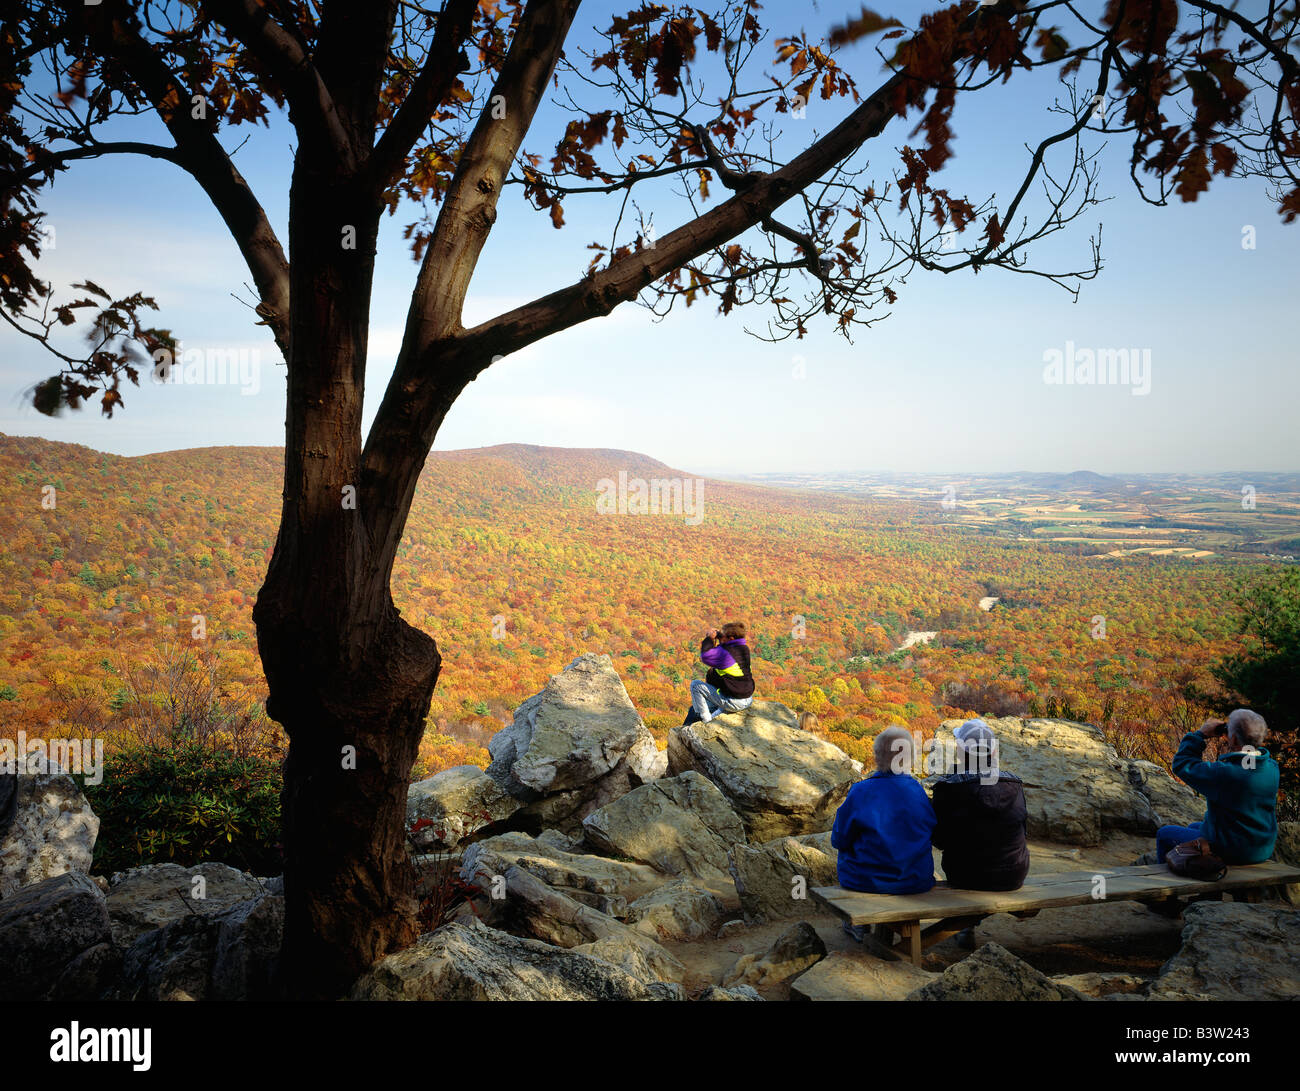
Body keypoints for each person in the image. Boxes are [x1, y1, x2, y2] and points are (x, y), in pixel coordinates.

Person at [1156, 709, 1279, 865]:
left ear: (1233, 739)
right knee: (1194, 826)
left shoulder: (1225, 774)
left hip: (1235, 851)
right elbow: (1248, 764)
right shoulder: (1271, 767)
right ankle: (1210, 888)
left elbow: (1182, 764)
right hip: (1260, 847)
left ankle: (1169, 881)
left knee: (1164, 834)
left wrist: (1200, 734)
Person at [831, 726, 937, 903]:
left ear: (877, 756)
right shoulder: (918, 791)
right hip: (915, 881)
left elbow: (839, 840)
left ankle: (858, 925)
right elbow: (931, 832)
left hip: (864, 882)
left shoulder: (860, 791)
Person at [931, 720, 1030, 892]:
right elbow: (1022, 830)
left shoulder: (948, 788)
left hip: (965, 876)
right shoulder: (1014, 784)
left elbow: (939, 840)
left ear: (961, 750)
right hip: (1013, 875)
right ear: (993, 752)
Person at [682, 622, 754, 725]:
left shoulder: (726, 654)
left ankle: (707, 722)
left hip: (734, 702)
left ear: (731, 638)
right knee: (697, 707)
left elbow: (706, 656)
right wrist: (722, 636)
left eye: (723, 635)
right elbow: (727, 646)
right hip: (747, 698)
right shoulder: (743, 649)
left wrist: (709, 638)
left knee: (695, 685)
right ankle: (719, 711)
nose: (721, 636)